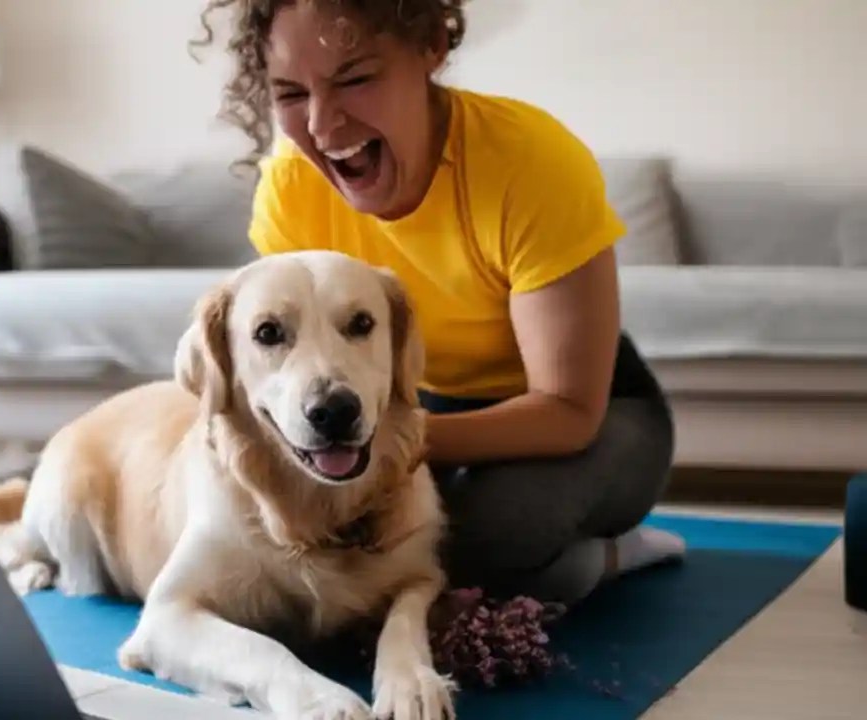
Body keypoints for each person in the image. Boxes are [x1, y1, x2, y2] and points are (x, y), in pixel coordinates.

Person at [192, 0, 685, 605]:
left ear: (431, 46)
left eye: (355, 79)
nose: (322, 127)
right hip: (410, 404)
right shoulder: (291, 185)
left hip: (591, 414)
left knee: (477, 539)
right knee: (325, 541)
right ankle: (546, 568)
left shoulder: (532, 161)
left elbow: (567, 409)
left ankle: (619, 553)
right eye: (291, 94)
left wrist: (398, 442)